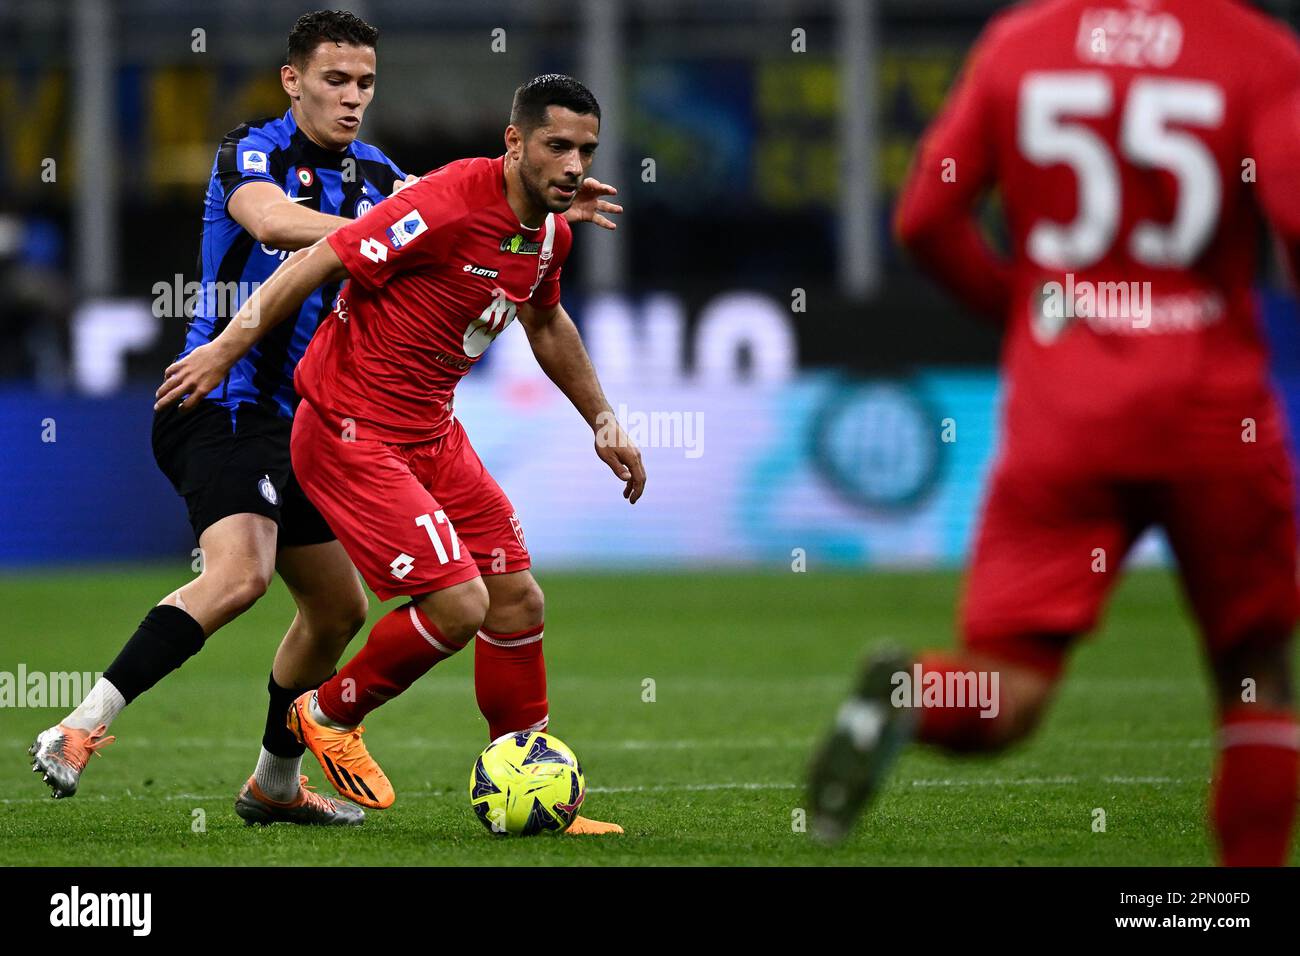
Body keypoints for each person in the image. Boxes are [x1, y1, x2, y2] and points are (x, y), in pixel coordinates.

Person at [30, 13, 621, 830]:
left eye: (366, 83)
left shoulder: (383, 173)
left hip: (321, 413)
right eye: (335, 80)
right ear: (292, 80)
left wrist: (525, 206)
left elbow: (470, 203)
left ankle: (275, 783)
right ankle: (78, 724)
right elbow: (277, 226)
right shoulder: (253, 151)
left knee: (339, 611)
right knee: (240, 576)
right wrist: (407, 235)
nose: (352, 99)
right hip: (227, 396)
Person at [809, 0, 1300, 865]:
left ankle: (917, 695)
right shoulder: (1254, 48)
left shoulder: (1022, 44)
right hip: (1211, 410)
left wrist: (1026, 318)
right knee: (1254, 675)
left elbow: (924, 220)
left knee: (1012, 683)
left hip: (1065, 411)